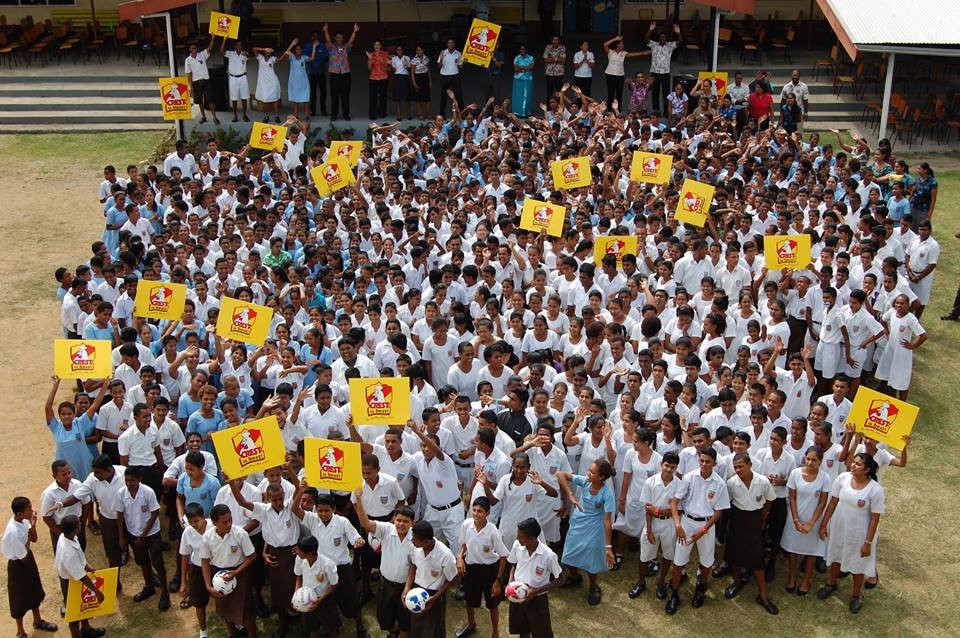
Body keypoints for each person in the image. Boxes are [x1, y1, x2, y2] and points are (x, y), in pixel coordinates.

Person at [817, 452, 884, 613]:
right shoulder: (843, 478)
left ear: (867, 469)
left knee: (857, 564)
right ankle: (831, 583)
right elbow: (833, 502)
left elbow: (875, 519)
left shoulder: (875, 490)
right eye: (853, 462)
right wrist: (824, 524)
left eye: (858, 464)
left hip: (860, 534)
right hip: (839, 527)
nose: (853, 466)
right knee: (836, 556)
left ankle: (856, 595)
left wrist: (867, 543)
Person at [666, 447, 730, 614]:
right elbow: (674, 502)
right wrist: (678, 525)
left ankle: (700, 588)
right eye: (701, 460)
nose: (703, 464)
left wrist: (703, 530)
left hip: (706, 526)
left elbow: (718, 511)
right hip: (687, 522)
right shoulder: (689, 477)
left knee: (706, 561)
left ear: (714, 463)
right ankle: (674, 594)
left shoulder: (719, 483)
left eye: (707, 461)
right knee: (679, 561)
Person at [722, 453, 779, 614]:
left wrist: (765, 514)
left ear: (750, 465)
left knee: (757, 558)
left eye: (741, 466)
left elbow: (770, 499)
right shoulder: (731, 483)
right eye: (735, 467)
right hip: (738, 519)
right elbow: (728, 504)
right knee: (734, 554)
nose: (738, 470)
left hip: (755, 520)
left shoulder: (762, 481)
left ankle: (763, 595)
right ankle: (737, 582)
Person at [354, 488, 415, 637]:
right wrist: (359, 500)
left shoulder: (416, 538)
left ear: (412, 523)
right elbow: (365, 523)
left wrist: (408, 587)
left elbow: (415, 565)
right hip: (385, 584)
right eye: (399, 520)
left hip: (406, 587)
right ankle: (394, 632)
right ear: (394, 519)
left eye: (406, 522)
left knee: (406, 623)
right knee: (385, 618)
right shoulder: (386, 529)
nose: (401, 524)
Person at [556, 459, 616, 605]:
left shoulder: (607, 494)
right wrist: (570, 494)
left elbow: (607, 520)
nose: (588, 473)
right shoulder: (585, 481)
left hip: (595, 527)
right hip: (578, 523)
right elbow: (560, 474)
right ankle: (575, 576)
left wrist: (608, 547)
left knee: (592, 560)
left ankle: (593, 586)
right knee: (568, 553)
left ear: (601, 477)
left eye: (592, 472)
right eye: (588, 470)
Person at [200, 504, 258, 638]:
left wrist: (236, 572)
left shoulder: (240, 533)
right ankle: (233, 634)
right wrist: (208, 585)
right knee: (225, 608)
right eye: (224, 522)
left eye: (230, 520)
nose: (229, 524)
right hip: (219, 575)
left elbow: (252, 556)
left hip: (240, 573)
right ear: (214, 522)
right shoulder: (208, 537)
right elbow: (204, 561)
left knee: (247, 611)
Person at [118, 466, 170, 610]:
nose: (129, 483)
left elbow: (154, 513)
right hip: (133, 533)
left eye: (132, 480)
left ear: (139, 480)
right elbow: (120, 515)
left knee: (158, 562)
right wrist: (122, 536)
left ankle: (165, 592)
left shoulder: (148, 492)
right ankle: (149, 587)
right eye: (127, 480)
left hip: (151, 533)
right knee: (142, 561)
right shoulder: (121, 493)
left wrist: (143, 534)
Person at [455, 496, 508, 638]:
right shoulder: (466, 525)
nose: (476, 514)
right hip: (471, 569)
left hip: (489, 571)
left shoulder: (493, 532)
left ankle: (495, 632)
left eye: (480, 511)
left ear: (487, 514)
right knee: (470, 600)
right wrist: (460, 557)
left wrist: (497, 580)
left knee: (492, 604)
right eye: (474, 510)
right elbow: (464, 545)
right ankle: (471, 624)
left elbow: (503, 556)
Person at [4, 496, 57, 637]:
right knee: (18, 596)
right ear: (19, 514)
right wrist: (30, 527)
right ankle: (20, 631)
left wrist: (33, 524)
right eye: (28, 509)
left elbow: (34, 538)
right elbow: (24, 551)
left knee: (34, 588)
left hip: (27, 557)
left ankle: (37, 620)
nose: (32, 510)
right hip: (18, 564)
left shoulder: (23, 521)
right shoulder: (13, 532)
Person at [780, 445, 829, 595]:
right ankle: (792, 576)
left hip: (812, 521)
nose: (810, 463)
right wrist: (796, 520)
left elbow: (822, 503)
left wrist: (811, 524)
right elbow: (792, 498)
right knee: (793, 549)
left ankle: (806, 580)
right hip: (795, 519)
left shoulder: (825, 478)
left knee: (811, 551)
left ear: (820, 461)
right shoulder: (795, 474)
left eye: (814, 460)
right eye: (808, 459)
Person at [506, 517, 563, 638]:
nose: (517, 538)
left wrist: (536, 591)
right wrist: (510, 581)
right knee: (522, 629)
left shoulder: (548, 555)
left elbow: (561, 579)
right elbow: (514, 564)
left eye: (521, 536)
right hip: (517, 594)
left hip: (537, 599)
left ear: (532, 538)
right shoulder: (517, 545)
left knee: (542, 632)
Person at [404, 520, 459, 638]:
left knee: (433, 629)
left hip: (435, 594)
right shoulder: (415, 547)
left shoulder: (445, 555)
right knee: (416, 626)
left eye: (414, 540)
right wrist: (407, 587)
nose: (412, 541)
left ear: (426, 541)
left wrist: (436, 597)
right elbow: (413, 565)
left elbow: (452, 578)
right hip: (417, 590)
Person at [53, 515, 106, 638]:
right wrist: (97, 591)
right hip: (71, 582)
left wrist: (86, 565)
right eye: (79, 524)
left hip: (74, 577)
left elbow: (79, 557)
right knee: (74, 613)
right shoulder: (68, 552)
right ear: (75, 529)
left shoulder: (66, 536)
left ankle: (86, 629)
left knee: (83, 606)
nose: (81, 524)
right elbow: (81, 576)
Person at [293, 535, 341, 638]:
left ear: (309, 554)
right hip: (307, 601)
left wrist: (320, 600)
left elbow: (334, 584)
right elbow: (299, 576)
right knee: (312, 628)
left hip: (325, 600)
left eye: (300, 551)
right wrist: (296, 595)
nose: (297, 552)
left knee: (332, 628)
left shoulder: (327, 564)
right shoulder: (299, 559)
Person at [602, 35, 650, 110]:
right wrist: (615, 39)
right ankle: (609, 111)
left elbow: (634, 54)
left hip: (620, 76)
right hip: (610, 75)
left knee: (619, 95)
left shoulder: (624, 53)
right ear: (617, 45)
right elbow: (605, 44)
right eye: (622, 44)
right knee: (610, 94)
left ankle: (618, 111)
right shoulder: (610, 52)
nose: (623, 45)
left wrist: (643, 53)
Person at [323, 23, 360, 121]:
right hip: (334, 74)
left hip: (345, 74)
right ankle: (334, 114)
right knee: (334, 95)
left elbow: (351, 41)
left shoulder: (346, 48)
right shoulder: (331, 48)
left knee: (345, 95)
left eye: (341, 37)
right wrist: (326, 30)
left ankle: (346, 114)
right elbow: (327, 40)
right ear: (335, 38)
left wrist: (354, 32)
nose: (339, 39)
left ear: (343, 39)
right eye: (337, 37)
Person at [646, 21, 682, 113]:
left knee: (666, 94)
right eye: (661, 37)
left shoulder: (670, 46)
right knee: (655, 93)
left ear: (666, 39)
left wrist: (678, 33)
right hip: (655, 73)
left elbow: (680, 41)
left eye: (664, 37)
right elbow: (646, 38)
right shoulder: (654, 45)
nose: (662, 39)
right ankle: (656, 111)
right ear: (658, 38)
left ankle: (666, 112)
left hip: (665, 73)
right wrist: (650, 30)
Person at [185, 35, 219, 124]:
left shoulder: (202, 55)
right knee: (200, 101)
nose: (194, 49)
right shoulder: (187, 60)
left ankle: (215, 117)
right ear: (189, 49)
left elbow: (210, 48)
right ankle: (203, 116)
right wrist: (190, 86)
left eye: (195, 48)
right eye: (192, 48)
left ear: (197, 49)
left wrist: (212, 38)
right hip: (196, 82)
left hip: (206, 81)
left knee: (210, 100)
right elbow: (189, 73)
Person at [254, 42, 290, 123]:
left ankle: (276, 116)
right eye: (267, 51)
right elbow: (254, 49)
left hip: (273, 82)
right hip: (263, 83)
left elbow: (280, 60)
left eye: (269, 51)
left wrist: (285, 55)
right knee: (264, 100)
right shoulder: (260, 58)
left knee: (275, 99)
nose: (268, 52)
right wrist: (264, 48)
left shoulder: (273, 58)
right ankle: (266, 115)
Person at [221, 38, 250, 122]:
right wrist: (224, 40)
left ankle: (244, 115)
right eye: (237, 45)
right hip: (233, 78)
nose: (239, 46)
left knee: (244, 97)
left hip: (243, 78)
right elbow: (221, 51)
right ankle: (235, 115)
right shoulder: (230, 54)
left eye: (240, 45)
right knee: (234, 98)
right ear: (234, 46)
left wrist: (246, 54)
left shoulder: (245, 54)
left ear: (242, 46)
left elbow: (248, 57)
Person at [285, 39, 314, 121]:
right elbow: (286, 53)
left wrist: (314, 47)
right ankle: (296, 116)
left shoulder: (304, 57)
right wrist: (292, 44)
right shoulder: (292, 57)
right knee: (295, 100)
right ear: (294, 50)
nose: (298, 50)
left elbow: (312, 58)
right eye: (297, 49)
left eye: (300, 49)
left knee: (306, 99)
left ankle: (307, 116)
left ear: (302, 50)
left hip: (304, 82)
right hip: (294, 82)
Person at [304, 30, 330, 118]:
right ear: (311, 37)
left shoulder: (322, 45)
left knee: (323, 92)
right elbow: (306, 59)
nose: (314, 37)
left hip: (322, 72)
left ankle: (323, 110)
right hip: (312, 73)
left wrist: (322, 67)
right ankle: (313, 110)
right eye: (313, 36)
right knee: (313, 93)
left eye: (316, 36)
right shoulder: (308, 46)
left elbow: (327, 57)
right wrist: (311, 68)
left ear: (318, 37)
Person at [438, 38, 464, 118]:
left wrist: (464, 62)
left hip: (455, 76)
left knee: (459, 95)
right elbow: (439, 66)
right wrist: (441, 58)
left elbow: (460, 66)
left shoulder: (458, 53)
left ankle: (461, 114)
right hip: (445, 76)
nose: (451, 44)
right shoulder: (443, 53)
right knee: (444, 97)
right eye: (449, 43)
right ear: (447, 44)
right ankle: (442, 115)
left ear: (454, 44)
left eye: (452, 43)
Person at [367, 39, 391, 120]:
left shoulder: (385, 54)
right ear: (373, 46)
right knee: (373, 96)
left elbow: (387, 67)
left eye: (378, 45)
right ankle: (373, 114)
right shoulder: (371, 54)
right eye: (375, 45)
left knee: (383, 96)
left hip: (383, 77)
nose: (377, 46)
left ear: (381, 46)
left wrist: (381, 59)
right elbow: (369, 68)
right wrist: (370, 58)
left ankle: (382, 113)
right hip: (373, 77)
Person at [512, 45, 535, 117]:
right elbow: (515, 68)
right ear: (519, 50)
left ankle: (526, 113)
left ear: (526, 50)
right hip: (518, 79)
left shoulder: (530, 58)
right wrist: (525, 69)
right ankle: (517, 113)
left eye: (524, 49)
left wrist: (521, 67)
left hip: (528, 79)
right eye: (521, 49)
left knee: (527, 95)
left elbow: (531, 67)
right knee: (518, 96)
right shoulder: (517, 58)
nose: (523, 51)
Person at [411, 44, 432, 119]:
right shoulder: (414, 59)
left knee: (427, 97)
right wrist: (414, 83)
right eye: (417, 50)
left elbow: (428, 70)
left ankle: (429, 113)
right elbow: (412, 73)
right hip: (418, 78)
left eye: (420, 50)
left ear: (423, 50)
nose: (418, 51)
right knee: (418, 98)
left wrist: (430, 81)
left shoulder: (426, 58)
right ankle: (420, 114)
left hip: (425, 77)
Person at [391, 44, 412, 120]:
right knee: (398, 98)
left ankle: (408, 114)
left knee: (407, 97)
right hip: (397, 77)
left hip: (405, 77)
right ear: (396, 51)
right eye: (398, 50)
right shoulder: (394, 58)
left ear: (403, 51)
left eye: (401, 50)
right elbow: (393, 70)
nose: (399, 51)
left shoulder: (407, 58)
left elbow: (410, 69)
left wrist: (406, 64)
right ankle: (398, 115)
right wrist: (390, 64)